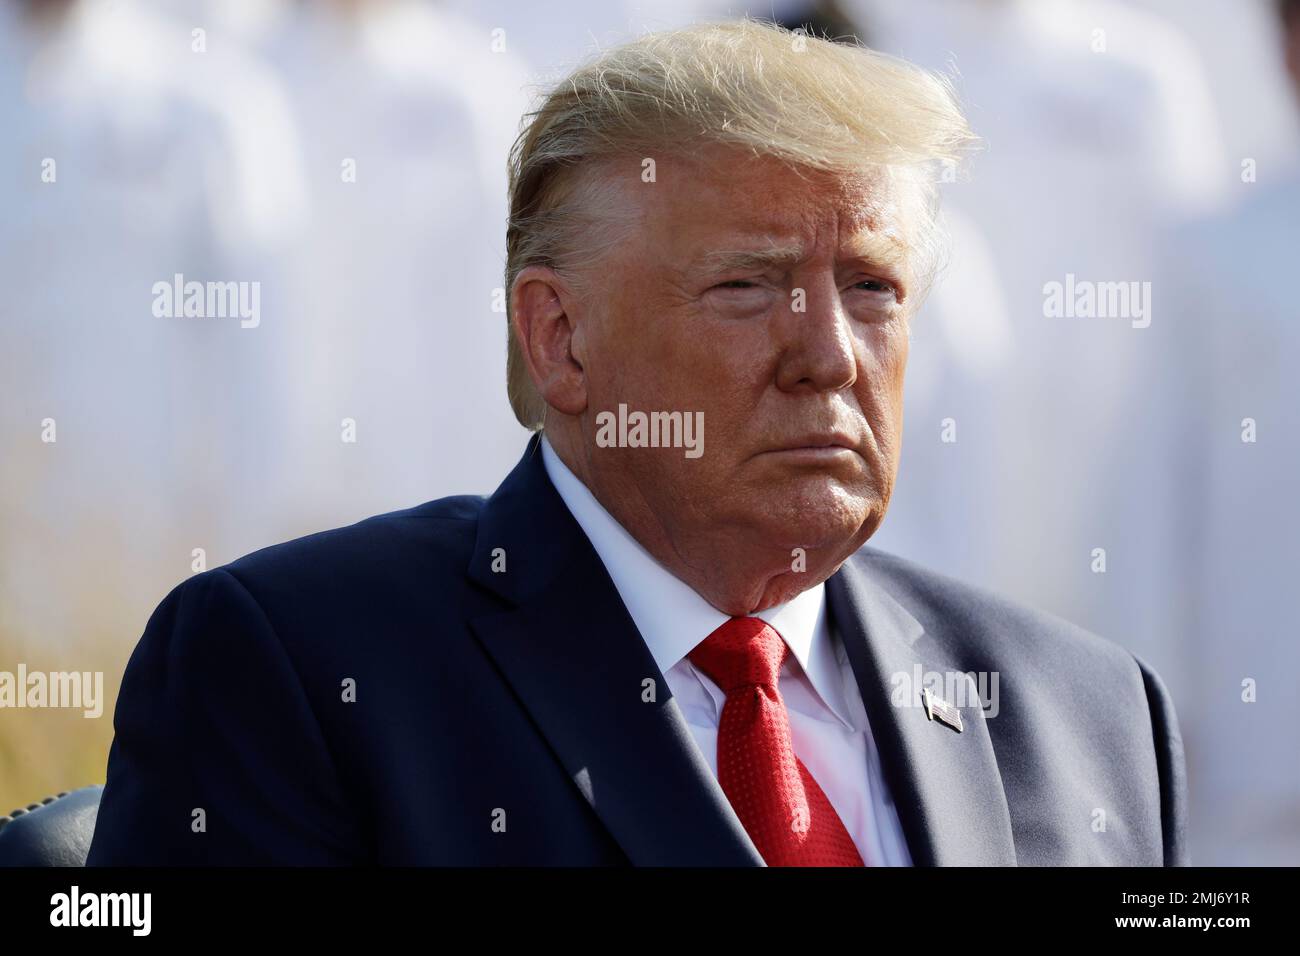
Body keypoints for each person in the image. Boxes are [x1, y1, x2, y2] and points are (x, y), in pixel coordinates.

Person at [87, 19, 1185, 866]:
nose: (830, 353)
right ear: (559, 340)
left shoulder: (1080, 714)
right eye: (748, 286)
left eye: (872, 287)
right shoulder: (307, 675)